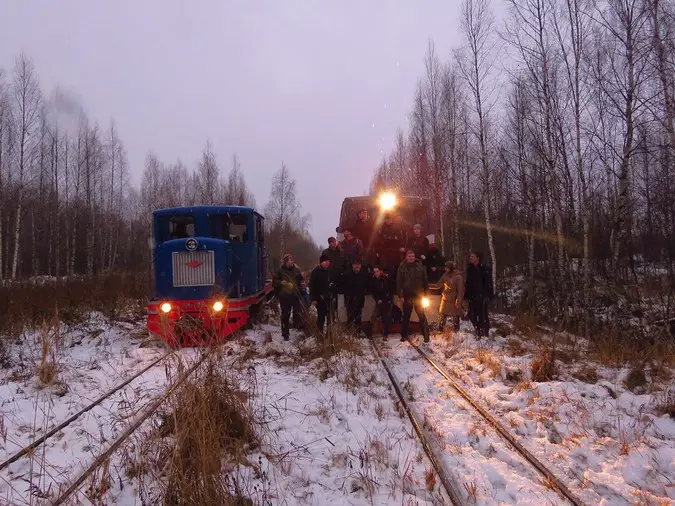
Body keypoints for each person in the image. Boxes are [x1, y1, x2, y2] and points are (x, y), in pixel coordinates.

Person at [396, 249, 431, 343]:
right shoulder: (402, 268)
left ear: (414, 257)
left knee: (422, 316)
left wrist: (427, 294)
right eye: (409, 256)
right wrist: (400, 295)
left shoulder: (420, 267)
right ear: (406, 257)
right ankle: (404, 335)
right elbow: (399, 283)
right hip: (407, 296)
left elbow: (425, 281)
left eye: (412, 256)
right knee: (406, 316)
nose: (411, 258)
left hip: (419, 296)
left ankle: (426, 336)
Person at [274, 253, 304, 341]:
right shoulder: (280, 271)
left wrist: (302, 284)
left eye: (292, 260)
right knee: (285, 316)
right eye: (290, 260)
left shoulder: (296, 270)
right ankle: (285, 334)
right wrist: (281, 282)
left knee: (297, 313)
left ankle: (298, 329)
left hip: (295, 295)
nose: (292, 261)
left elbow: (300, 280)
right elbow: (274, 282)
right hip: (284, 297)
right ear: (286, 262)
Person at [464, 251, 494, 337]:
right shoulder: (470, 269)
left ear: (478, 258)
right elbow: (468, 282)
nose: (471, 258)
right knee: (471, 314)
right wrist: (466, 295)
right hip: (472, 296)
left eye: (473, 256)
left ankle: (484, 333)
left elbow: (489, 283)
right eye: (471, 256)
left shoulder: (484, 269)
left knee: (482, 315)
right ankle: (477, 328)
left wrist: (488, 295)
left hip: (482, 296)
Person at [342, 257, 369, 333]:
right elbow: (343, 287)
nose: (357, 266)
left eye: (358, 264)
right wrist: (349, 295)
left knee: (358, 318)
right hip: (350, 299)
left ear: (360, 265)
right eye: (355, 264)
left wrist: (364, 293)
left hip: (360, 299)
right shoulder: (347, 274)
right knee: (350, 317)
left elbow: (366, 286)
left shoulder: (364, 275)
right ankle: (349, 334)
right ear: (352, 265)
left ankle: (358, 333)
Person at [321, 237, 345, 318]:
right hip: (329, 279)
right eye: (331, 242)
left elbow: (345, 263)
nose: (333, 243)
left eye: (334, 241)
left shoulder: (341, 252)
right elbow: (322, 265)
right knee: (330, 301)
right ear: (329, 243)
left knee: (340, 302)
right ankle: (331, 319)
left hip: (340, 279)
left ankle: (339, 319)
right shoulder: (325, 252)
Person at [309, 253, 333, 333]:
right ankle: (319, 335)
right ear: (321, 262)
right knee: (321, 318)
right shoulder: (316, 272)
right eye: (325, 261)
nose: (327, 262)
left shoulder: (329, 271)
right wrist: (313, 298)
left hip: (329, 298)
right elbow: (311, 286)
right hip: (319, 298)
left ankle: (329, 335)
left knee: (331, 317)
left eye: (328, 261)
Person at [438, 261, 464, 332]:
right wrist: (427, 286)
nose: (445, 269)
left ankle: (456, 332)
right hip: (445, 298)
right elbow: (438, 285)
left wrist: (458, 301)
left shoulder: (458, 277)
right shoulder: (445, 275)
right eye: (445, 267)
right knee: (443, 316)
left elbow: (460, 290)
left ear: (450, 268)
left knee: (455, 316)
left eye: (447, 267)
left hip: (454, 299)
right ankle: (440, 330)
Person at [369, 265, 393, 340]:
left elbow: (389, 290)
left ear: (380, 271)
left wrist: (385, 299)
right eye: (375, 272)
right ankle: (375, 331)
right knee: (374, 316)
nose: (376, 273)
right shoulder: (373, 280)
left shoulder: (385, 279)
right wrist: (377, 299)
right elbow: (373, 292)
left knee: (385, 317)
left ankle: (385, 334)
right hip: (379, 302)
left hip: (386, 301)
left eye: (377, 271)